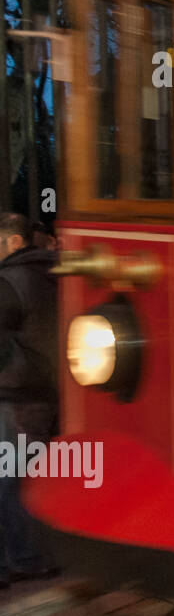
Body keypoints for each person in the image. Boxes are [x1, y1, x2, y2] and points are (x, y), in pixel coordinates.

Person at [0, 214, 59, 587]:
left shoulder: (9, 281)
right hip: (50, 391)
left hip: (16, 394)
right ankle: (37, 554)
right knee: (33, 475)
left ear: (15, 242)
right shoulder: (56, 273)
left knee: (9, 478)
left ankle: (21, 559)